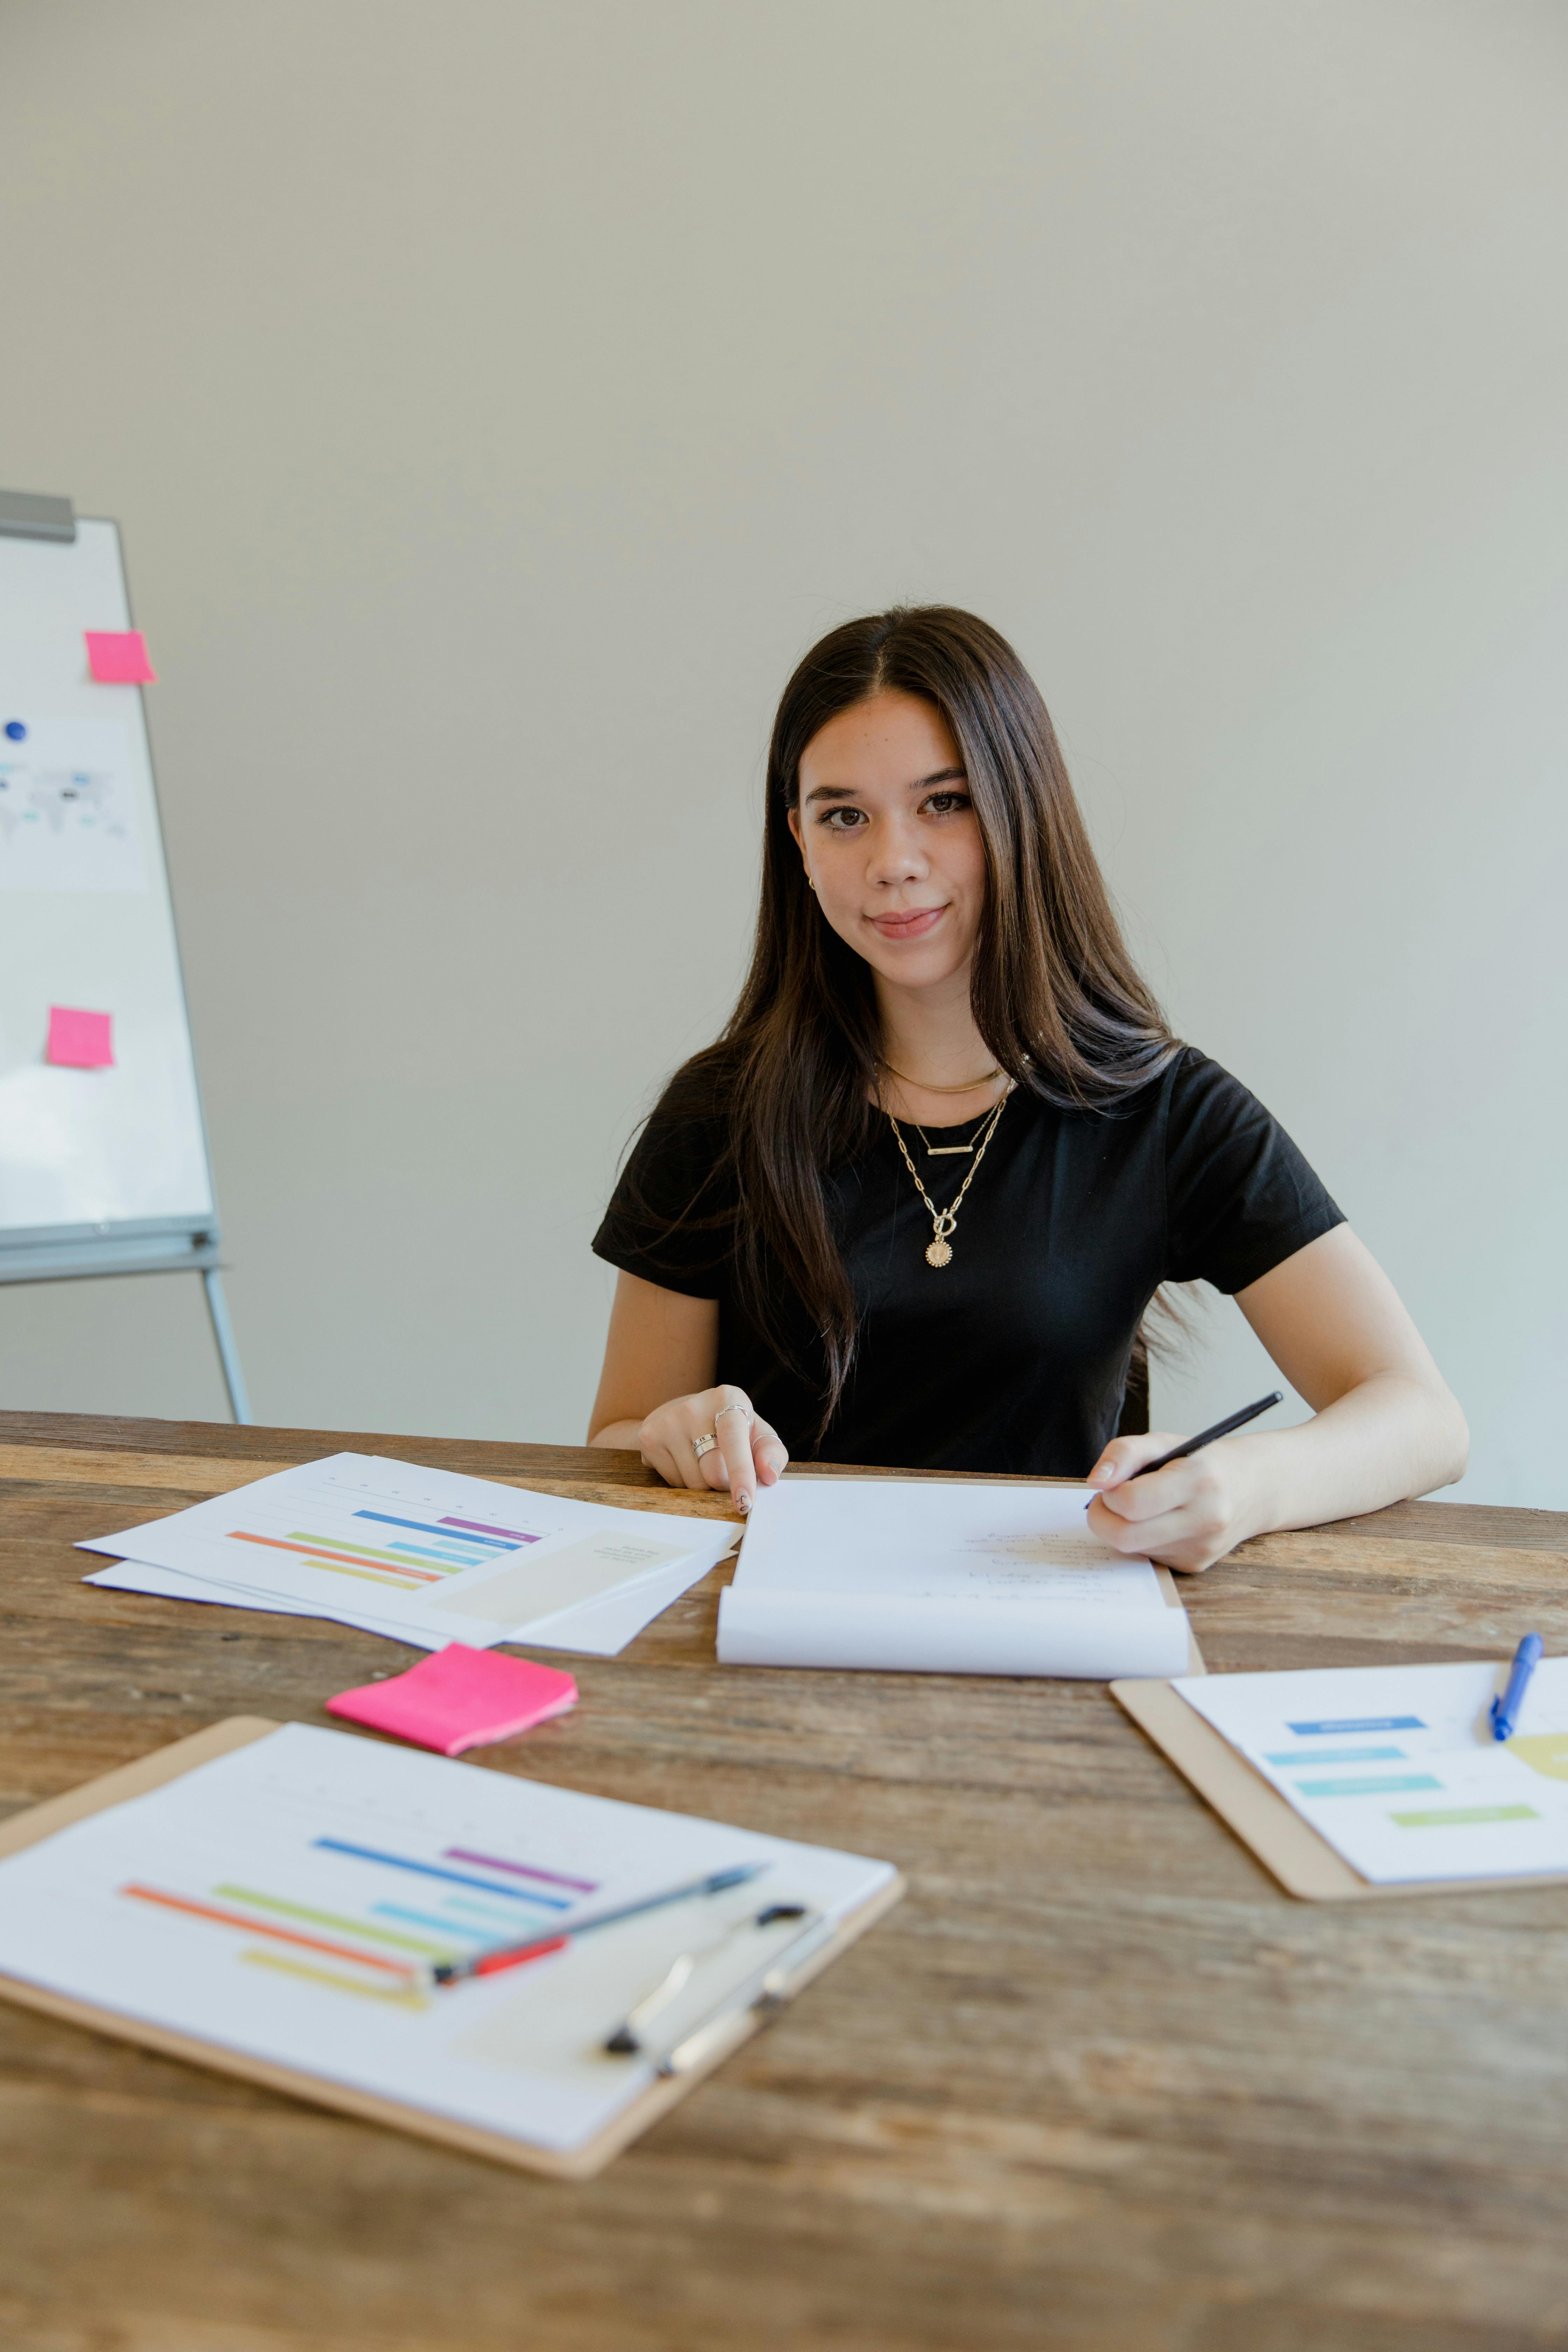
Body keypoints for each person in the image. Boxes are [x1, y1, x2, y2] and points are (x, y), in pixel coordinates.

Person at [587, 606, 1466, 1572]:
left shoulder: (1165, 1111)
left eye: (945, 803)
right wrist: (681, 1435)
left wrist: (1243, 1486)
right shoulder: (717, 1116)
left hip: (1052, 1648)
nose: (894, 863)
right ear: (798, 841)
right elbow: (618, 1438)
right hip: (765, 1636)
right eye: (845, 816)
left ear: (1022, 812)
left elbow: (1423, 1418)